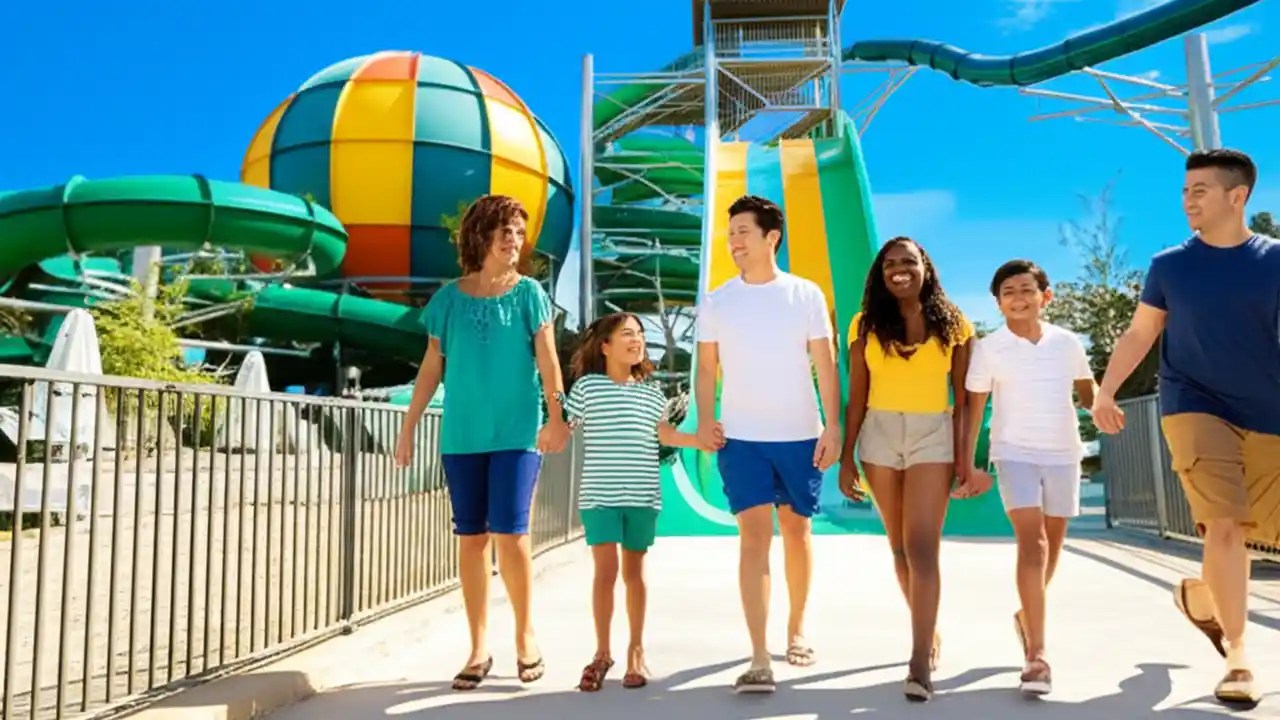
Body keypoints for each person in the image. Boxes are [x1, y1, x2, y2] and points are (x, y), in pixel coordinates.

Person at [1091, 148, 1279, 705]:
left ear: (1237, 195)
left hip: (1268, 410)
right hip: (1192, 403)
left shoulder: (1274, 261)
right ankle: (1240, 657)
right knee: (1224, 524)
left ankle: (1205, 597)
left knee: (1252, 534)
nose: (1188, 199)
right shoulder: (1170, 265)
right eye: (1185, 189)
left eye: (1200, 189)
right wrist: (1105, 389)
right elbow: (1139, 334)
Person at [393, 194, 572, 691]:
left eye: (519, 231)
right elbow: (432, 367)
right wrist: (409, 427)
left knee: (511, 535)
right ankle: (477, 647)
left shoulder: (530, 293)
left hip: (516, 432)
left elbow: (549, 361)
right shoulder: (448, 299)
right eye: (505, 231)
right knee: (471, 539)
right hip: (462, 435)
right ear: (481, 237)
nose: (514, 240)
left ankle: (526, 635)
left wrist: (557, 417)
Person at [694, 195, 842, 693]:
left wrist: (833, 424)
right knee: (753, 538)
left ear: (770, 237)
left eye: (743, 232)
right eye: (730, 232)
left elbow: (824, 363)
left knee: (797, 533)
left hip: (800, 435)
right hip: (741, 438)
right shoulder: (716, 300)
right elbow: (707, 368)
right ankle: (759, 656)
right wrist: (706, 422)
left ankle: (796, 627)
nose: (734, 241)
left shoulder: (806, 294)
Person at [837, 236, 974, 702]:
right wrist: (845, 458)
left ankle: (919, 662)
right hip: (877, 435)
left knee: (922, 548)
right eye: (890, 263)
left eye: (908, 261)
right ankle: (926, 634)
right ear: (880, 273)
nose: (899, 269)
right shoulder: (864, 324)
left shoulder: (955, 324)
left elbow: (963, 401)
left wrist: (963, 459)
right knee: (897, 549)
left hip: (931, 435)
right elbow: (856, 396)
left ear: (925, 267)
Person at [961, 259, 1096, 696]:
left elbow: (1088, 392)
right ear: (998, 304)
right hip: (1013, 452)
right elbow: (974, 409)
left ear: (1045, 296)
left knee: (1052, 549)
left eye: (1025, 290)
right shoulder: (989, 348)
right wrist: (969, 463)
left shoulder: (1067, 343)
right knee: (1032, 543)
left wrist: (1105, 409)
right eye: (1008, 293)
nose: (1017, 298)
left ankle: (1026, 616)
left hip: (1063, 453)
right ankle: (1037, 657)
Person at [566, 312, 706, 692]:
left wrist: (703, 440)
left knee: (634, 574)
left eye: (641, 334)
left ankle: (635, 650)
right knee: (605, 573)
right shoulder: (587, 388)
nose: (637, 340)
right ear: (605, 345)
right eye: (627, 333)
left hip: (642, 496)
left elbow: (667, 435)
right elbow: (564, 427)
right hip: (599, 496)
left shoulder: (651, 393)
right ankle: (602, 652)